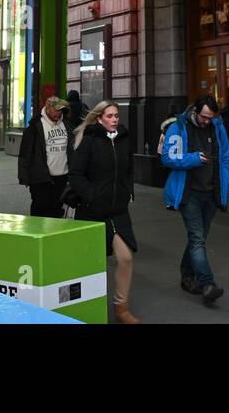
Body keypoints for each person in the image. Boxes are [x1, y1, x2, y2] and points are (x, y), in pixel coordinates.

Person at [68, 99, 139, 323]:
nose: (115, 120)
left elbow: (129, 169)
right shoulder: (89, 139)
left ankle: (121, 308)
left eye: (116, 115)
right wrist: (92, 196)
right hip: (92, 210)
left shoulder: (124, 139)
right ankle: (83, 305)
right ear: (99, 118)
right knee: (89, 262)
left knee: (125, 258)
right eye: (110, 116)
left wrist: (128, 191)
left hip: (118, 211)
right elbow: (76, 175)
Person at [160, 95, 229, 305]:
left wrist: (224, 188)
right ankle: (207, 283)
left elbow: (226, 156)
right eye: (204, 117)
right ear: (196, 111)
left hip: (211, 193)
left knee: (197, 239)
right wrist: (193, 158)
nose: (207, 121)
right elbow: (167, 158)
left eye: (210, 117)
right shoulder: (179, 127)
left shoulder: (217, 127)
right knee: (198, 238)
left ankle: (186, 275)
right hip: (189, 194)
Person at [19, 95, 72, 217]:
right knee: (40, 208)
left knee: (57, 209)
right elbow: (25, 153)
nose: (58, 113)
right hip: (41, 177)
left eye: (60, 110)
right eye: (56, 110)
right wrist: (24, 177)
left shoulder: (66, 124)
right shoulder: (35, 127)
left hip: (62, 177)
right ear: (48, 109)